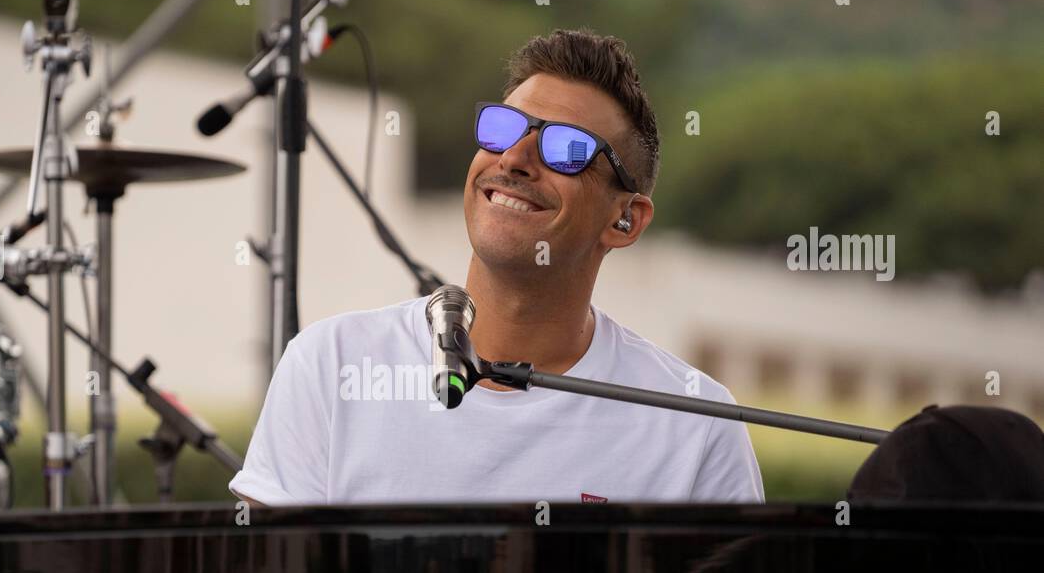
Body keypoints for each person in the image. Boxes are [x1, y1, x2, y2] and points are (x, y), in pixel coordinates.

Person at [230, 29, 764, 506]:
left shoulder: (698, 424)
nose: (513, 158)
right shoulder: (332, 364)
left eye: (567, 148)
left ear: (625, 220)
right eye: (504, 127)